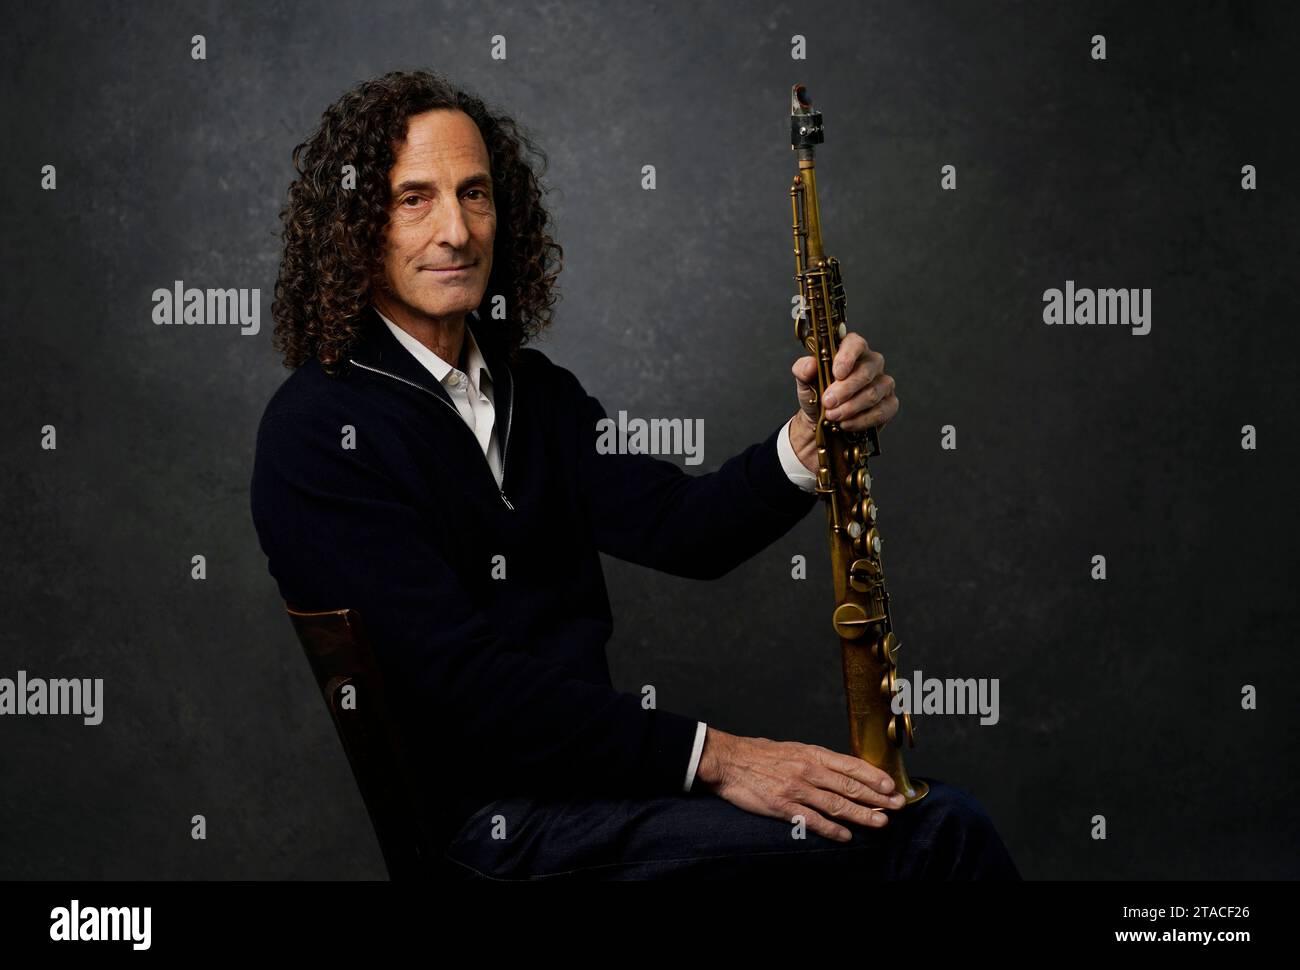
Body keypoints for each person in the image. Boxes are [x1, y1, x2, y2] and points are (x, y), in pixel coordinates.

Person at [250, 69, 1020, 881]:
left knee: (920, 825)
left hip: (608, 798)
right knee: (937, 838)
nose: (457, 231)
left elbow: (687, 528)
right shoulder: (314, 434)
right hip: (496, 839)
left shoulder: (533, 391)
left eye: (475, 194)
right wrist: (720, 757)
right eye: (415, 199)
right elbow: (465, 688)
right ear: (354, 227)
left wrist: (812, 435)